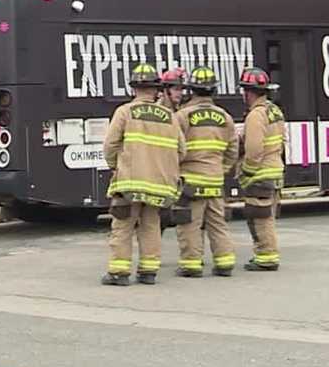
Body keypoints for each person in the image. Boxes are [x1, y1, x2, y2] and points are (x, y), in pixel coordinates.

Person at [101, 63, 186, 286]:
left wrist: (115, 166)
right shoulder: (170, 116)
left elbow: (110, 146)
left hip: (129, 182)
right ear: (157, 90)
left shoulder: (125, 112)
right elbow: (182, 150)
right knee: (150, 225)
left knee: (123, 226)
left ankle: (119, 272)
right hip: (159, 184)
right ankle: (148, 272)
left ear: (133, 88)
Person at [173, 66, 239, 277]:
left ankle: (191, 265)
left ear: (191, 90)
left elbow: (174, 148)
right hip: (215, 180)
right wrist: (221, 170)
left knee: (189, 224)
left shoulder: (182, 116)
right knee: (217, 224)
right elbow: (233, 150)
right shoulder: (225, 118)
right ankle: (225, 263)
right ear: (214, 91)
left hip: (190, 182)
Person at [236, 67, 285, 271]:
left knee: (259, 218)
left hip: (260, 175)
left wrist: (246, 171)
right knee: (268, 217)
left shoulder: (256, 115)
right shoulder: (274, 110)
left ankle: (266, 257)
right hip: (275, 171)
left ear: (249, 92)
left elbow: (254, 149)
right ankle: (268, 254)